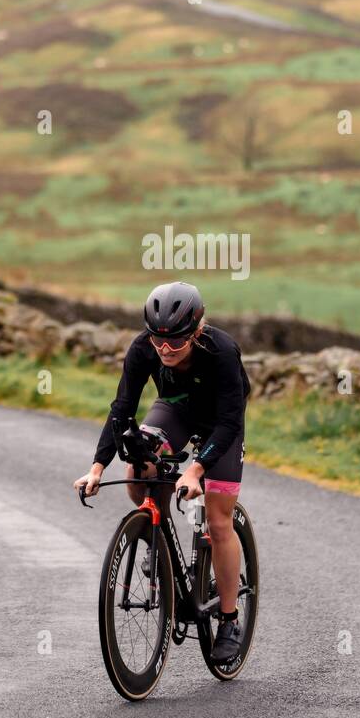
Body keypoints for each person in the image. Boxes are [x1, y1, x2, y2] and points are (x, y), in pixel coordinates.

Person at [74, 280, 250, 663]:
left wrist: (196, 469)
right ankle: (156, 533)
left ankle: (229, 619)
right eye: (158, 340)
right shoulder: (143, 349)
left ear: (197, 331)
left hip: (220, 424)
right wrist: (97, 467)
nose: (165, 349)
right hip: (175, 409)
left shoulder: (221, 351)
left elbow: (230, 421)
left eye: (176, 341)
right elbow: (121, 410)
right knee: (139, 465)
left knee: (219, 522)